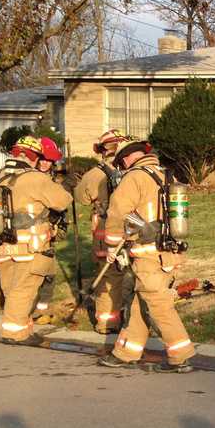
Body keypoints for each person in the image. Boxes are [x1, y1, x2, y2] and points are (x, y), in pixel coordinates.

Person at [97, 138, 195, 372]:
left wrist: (111, 246)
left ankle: (180, 356)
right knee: (142, 302)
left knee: (158, 305)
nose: (122, 167)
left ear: (128, 157)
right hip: (169, 252)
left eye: (121, 162)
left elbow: (117, 213)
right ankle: (125, 352)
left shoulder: (135, 177)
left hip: (148, 255)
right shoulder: (165, 175)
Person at [0, 136, 72, 344]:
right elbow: (62, 201)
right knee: (24, 290)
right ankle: (15, 334)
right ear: (34, 156)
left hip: (3, 245)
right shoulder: (35, 178)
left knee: (12, 289)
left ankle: (23, 328)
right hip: (30, 247)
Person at [74, 129, 130, 333]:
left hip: (105, 234)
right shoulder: (133, 171)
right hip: (133, 230)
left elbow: (80, 198)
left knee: (108, 277)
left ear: (102, 150)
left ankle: (108, 323)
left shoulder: (94, 174)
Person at [29, 137, 67, 325]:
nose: (45, 163)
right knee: (30, 274)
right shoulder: (26, 178)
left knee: (49, 274)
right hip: (28, 236)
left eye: (49, 160)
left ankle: (42, 309)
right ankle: (27, 309)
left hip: (48, 235)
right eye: (42, 159)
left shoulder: (53, 181)